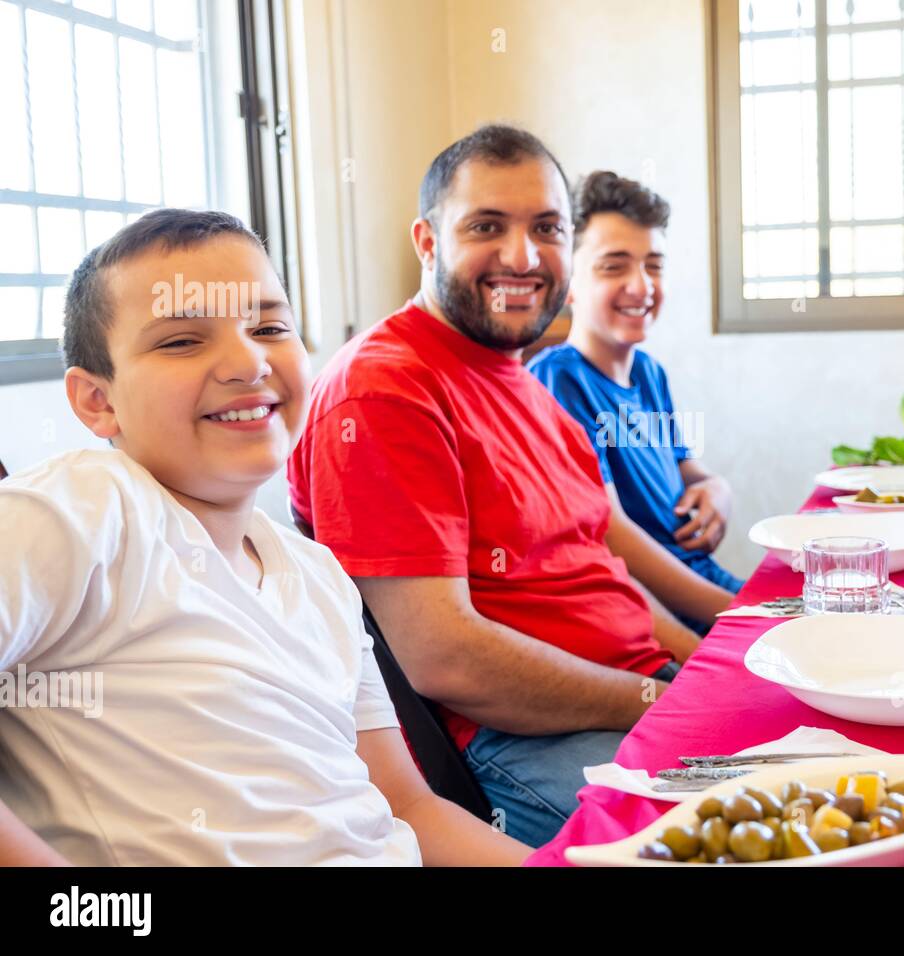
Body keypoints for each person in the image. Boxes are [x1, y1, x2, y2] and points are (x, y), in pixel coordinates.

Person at [0, 209, 527, 866]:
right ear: (96, 401)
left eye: (270, 327)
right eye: (182, 341)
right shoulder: (84, 510)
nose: (248, 361)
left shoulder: (317, 572)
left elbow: (408, 806)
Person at [287, 126, 699, 848]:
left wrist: (705, 667)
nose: (522, 255)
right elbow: (445, 656)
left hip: (634, 692)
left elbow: (607, 571)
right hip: (529, 740)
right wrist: (659, 702)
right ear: (426, 240)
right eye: (486, 226)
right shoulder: (385, 390)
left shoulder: (532, 388)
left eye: (546, 228)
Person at [528, 172, 742, 634]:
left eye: (654, 265)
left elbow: (686, 469)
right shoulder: (558, 380)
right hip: (654, 613)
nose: (641, 285)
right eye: (614, 266)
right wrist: (738, 615)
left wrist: (719, 489)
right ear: (569, 282)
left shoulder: (648, 372)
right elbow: (612, 532)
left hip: (701, 580)